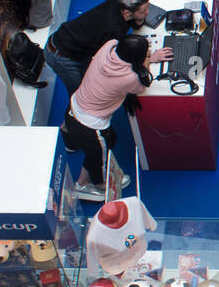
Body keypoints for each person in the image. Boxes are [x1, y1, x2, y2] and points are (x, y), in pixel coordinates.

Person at [62, 34, 171, 201]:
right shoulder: (129, 78)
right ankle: (88, 186)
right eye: (146, 54)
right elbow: (141, 87)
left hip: (75, 106)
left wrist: (150, 58)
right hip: (91, 126)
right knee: (101, 157)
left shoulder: (109, 45)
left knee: (94, 154)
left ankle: (71, 144)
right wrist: (148, 62)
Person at [45, 0, 152, 99]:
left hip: (77, 44)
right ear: (126, 12)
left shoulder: (121, 0)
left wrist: (139, 17)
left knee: (88, 76)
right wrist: (147, 57)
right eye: (143, 10)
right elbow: (115, 62)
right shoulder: (112, 29)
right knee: (81, 95)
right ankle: (72, 116)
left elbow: (134, 24)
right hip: (61, 55)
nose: (148, 12)